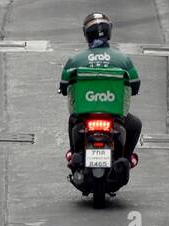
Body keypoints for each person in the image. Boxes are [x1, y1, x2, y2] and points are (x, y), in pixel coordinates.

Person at [59, 12, 142, 160]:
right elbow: (135, 85)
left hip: (83, 115)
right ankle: (127, 159)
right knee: (135, 126)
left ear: (86, 34)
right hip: (116, 116)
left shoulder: (75, 60)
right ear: (109, 31)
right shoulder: (123, 60)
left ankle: (74, 154)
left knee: (72, 120)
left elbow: (64, 86)